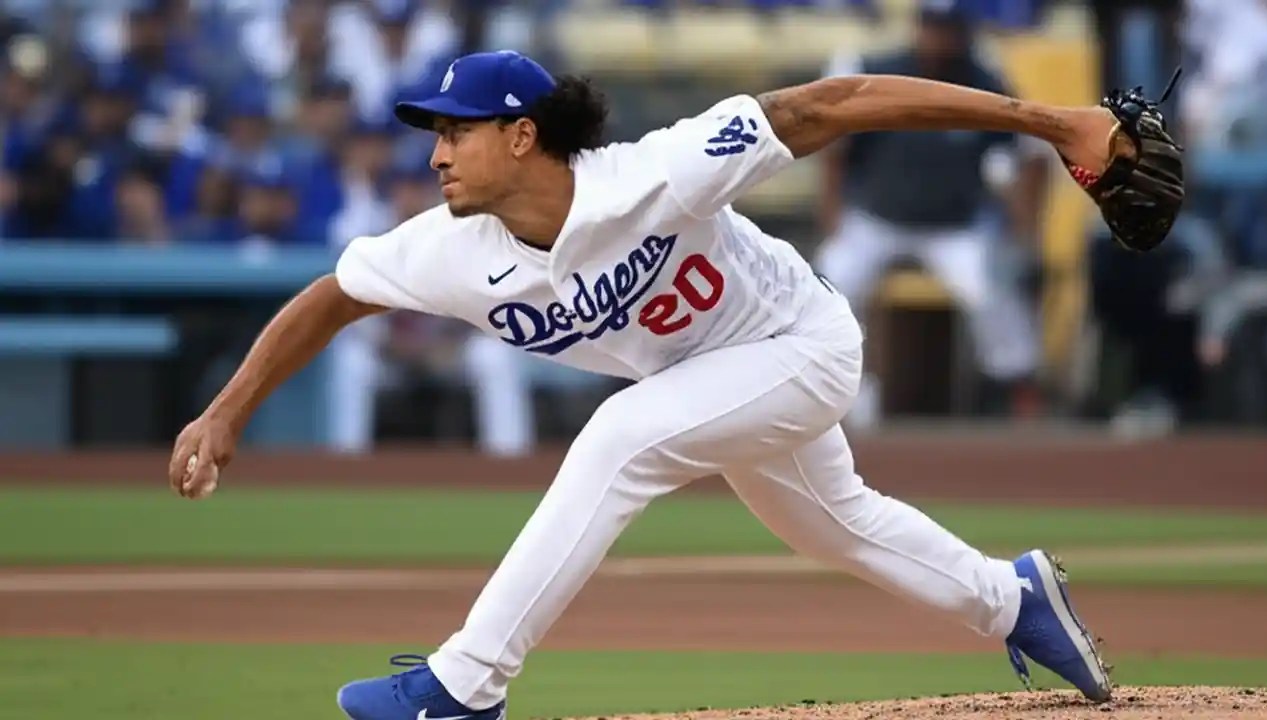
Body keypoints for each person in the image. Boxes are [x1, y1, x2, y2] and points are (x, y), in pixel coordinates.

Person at [169, 49, 1141, 720]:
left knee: (618, 437)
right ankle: (1012, 598)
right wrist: (225, 412)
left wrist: (1048, 122)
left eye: (456, 130)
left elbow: (834, 101)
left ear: (521, 135)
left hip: (800, 344)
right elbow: (334, 297)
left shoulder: (651, 175)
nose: (435, 153)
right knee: (832, 524)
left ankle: (464, 685)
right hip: (709, 379)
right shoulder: (448, 249)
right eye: (434, 133)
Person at [815, 0, 1047, 420]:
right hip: (876, 219)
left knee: (990, 287)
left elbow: (1030, 153)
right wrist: (833, 216)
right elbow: (836, 148)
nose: (940, 38)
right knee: (832, 280)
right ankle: (840, 386)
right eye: (932, 27)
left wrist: (1023, 230)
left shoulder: (984, 82)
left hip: (955, 226)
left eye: (949, 28)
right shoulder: (880, 75)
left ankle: (1016, 383)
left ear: (965, 31)